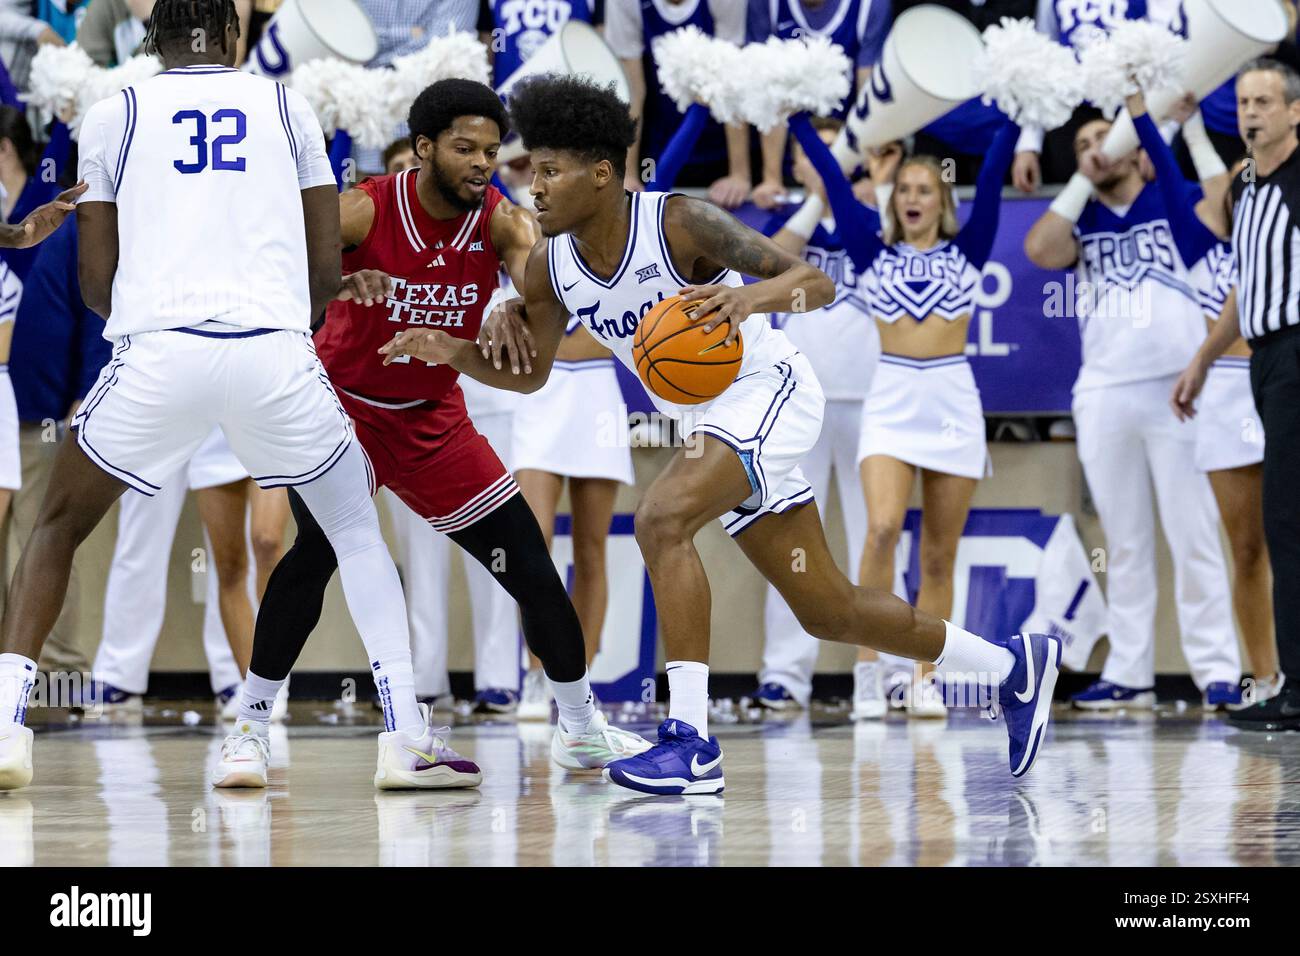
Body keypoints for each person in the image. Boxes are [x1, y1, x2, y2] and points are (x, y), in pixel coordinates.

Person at [385, 76, 1063, 794]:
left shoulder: (679, 223)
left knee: (659, 516)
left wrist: (749, 297)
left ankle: (691, 742)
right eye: (534, 172)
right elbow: (531, 376)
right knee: (828, 608)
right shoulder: (550, 267)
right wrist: (455, 354)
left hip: (770, 388)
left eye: (551, 170)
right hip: (713, 420)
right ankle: (1012, 668)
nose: (537, 188)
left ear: (604, 172)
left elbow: (815, 284)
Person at [0, 0, 456, 793]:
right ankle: (406, 735)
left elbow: (96, 284)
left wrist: (159, 316)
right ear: (236, 35)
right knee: (353, 528)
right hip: (270, 352)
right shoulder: (288, 105)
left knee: (56, 527)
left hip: (159, 354)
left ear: (152, 38)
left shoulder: (115, 113)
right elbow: (321, 279)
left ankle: (5, 726)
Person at [248, 78, 650, 767]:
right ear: (424, 149)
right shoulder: (366, 210)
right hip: (345, 412)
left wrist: (513, 306)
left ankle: (580, 727)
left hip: (434, 419)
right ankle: (250, 726)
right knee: (313, 556)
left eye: (491, 151)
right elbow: (271, 257)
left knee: (528, 562)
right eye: (464, 148)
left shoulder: (503, 222)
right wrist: (341, 283)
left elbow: (541, 287)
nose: (480, 163)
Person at [794, 110, 1019, 720]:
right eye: (908, 190)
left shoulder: (969, 248)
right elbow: (832, 179)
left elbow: (996, 173)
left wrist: (1019, 114)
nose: (916, 198)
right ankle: (869, 673)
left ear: (942, 199)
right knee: (882, 529)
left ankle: (925, 679)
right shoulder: (870, 248)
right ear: (895, 199)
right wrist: (796, 113)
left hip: (950, 399)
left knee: (940, 554)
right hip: (891, 396)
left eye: (928, 190)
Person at [1023, 101, 1241, 710]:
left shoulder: (1171, 198)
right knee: (1123, 541)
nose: (1101, 145)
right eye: (1089, 140)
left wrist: (1179, 129)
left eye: (1108, 136)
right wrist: (1081, 180)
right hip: (1105, 389)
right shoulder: (1082, 216)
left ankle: (1218, 670)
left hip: (1179, 387)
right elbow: (1040, 249)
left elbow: (1223, 206)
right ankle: (1130, 672)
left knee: (1193, 531)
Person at [1129, 88, 1277, 710]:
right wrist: (1145, 114)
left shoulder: (1282, 241)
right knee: (1246, 548)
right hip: (1223, 397)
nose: (1234, 193)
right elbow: (1167, 173)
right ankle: (1267, 679)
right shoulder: (1198, 246)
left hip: (1280, 381)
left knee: (1288, 539)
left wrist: (1195, 135)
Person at [748, 115, 891, 716]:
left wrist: (878, 185)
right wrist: (815, 198)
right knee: (793, 539)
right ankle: (784, 675)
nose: (822, 163)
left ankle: (881, 674)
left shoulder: (874, 219)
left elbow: (893, 244)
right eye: (814, 155)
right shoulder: (796, 225)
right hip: (800, 402)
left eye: (834, 155)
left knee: (874, 538)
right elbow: (776, 260)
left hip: (872, 397)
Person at [1173, 58, 1300, 730]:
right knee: (1271, 532)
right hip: (1261, 364)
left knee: (1286, 526)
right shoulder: (1247, 188)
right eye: (1245, 101)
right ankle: (1282, 680)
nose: (1251, 112)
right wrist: (1201, 358)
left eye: (1265, 101)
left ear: (1294, 112)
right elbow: (1245, 287)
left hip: (1295, 354)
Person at [745, 0, 890, 210]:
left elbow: (869, 98)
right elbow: (768, 91)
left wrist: (870, 174)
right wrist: (771, 178)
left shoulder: (870, 6)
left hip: (847, 156)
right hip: (792, 162)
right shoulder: (766, 4)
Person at [604, 0, 750, 203]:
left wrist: (740, 174)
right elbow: (633, 92)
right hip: (654, 150)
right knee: (650, 194)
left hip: (717, 146)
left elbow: (732, 83)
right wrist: (628, 175)